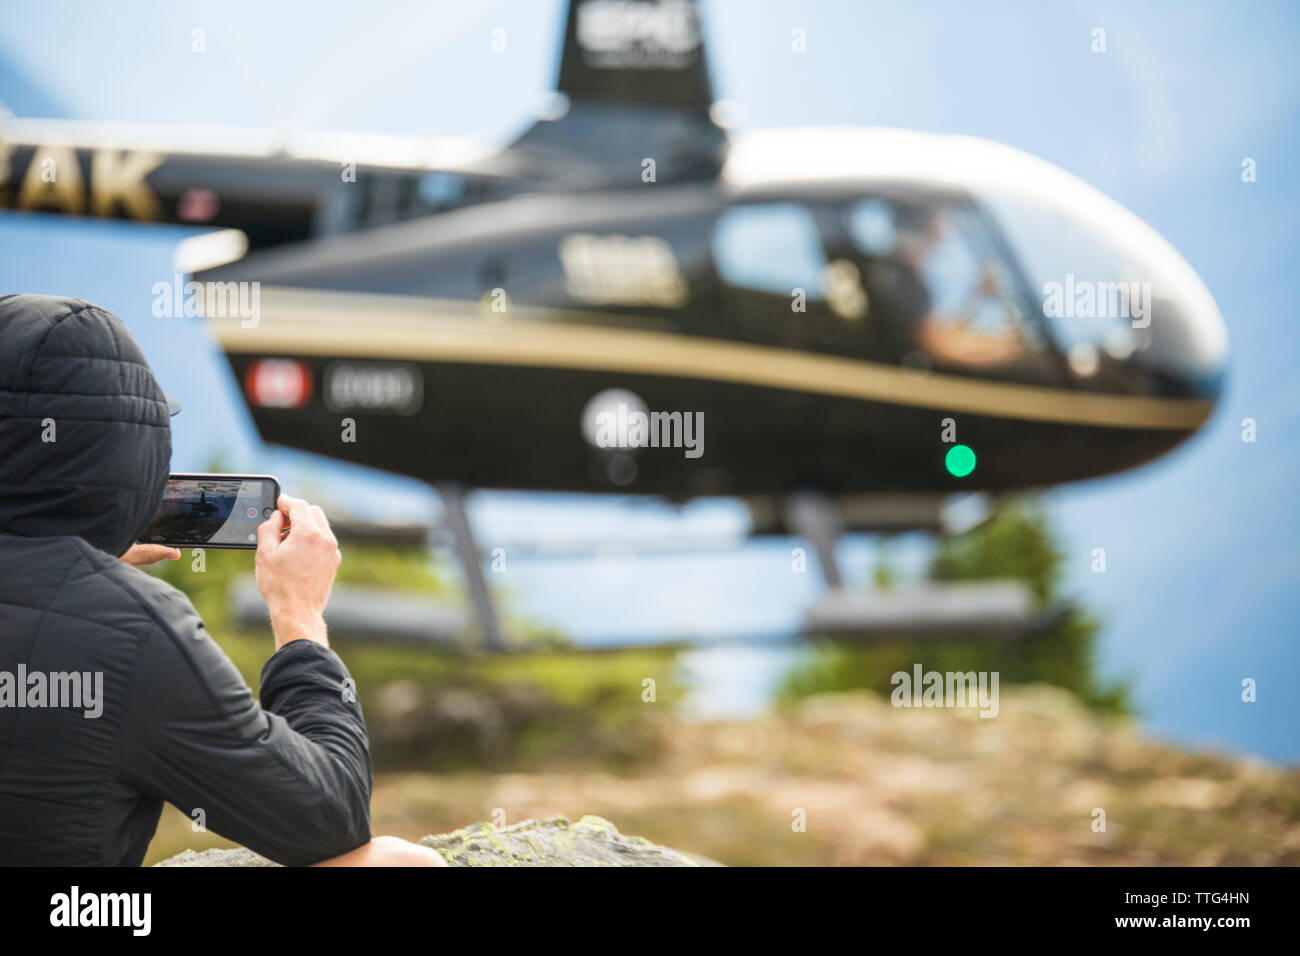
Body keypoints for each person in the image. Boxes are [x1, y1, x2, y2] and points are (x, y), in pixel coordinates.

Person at [0, 293, 444, 866]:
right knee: (399, 864)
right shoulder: (132, 633)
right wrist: (299, 616)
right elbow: (330, 814)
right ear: (134, 450)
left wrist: (77, 560)